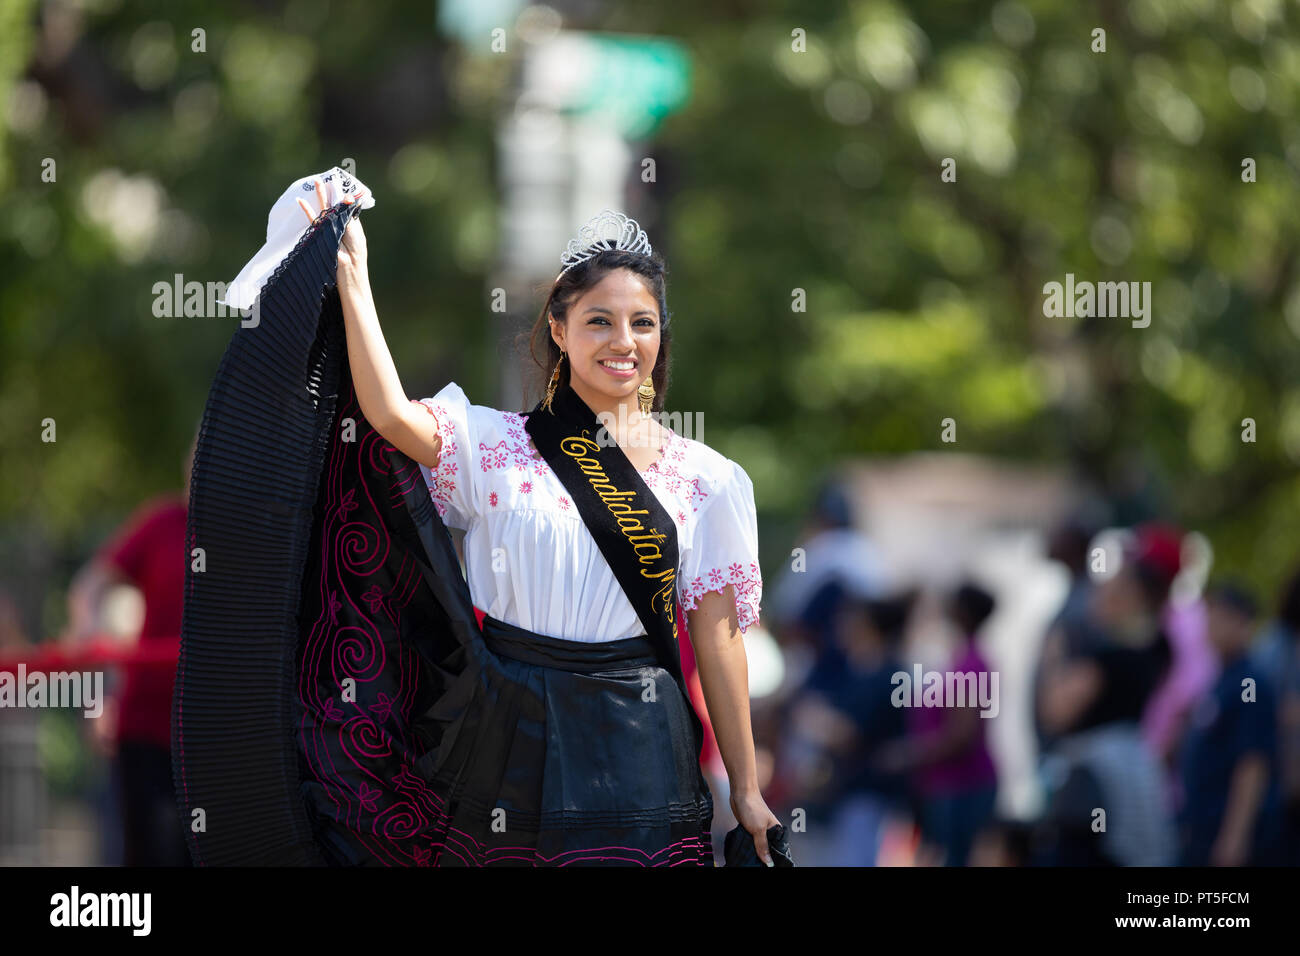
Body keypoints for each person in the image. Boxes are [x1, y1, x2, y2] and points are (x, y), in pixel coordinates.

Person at [175, 181, 781, 866]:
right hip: (509, 729)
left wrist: (749, 790)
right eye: (599, 321)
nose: (623, 341)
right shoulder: (496, 445)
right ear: (558, 328)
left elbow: (718, 639)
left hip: (642, 739)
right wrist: (351, 275)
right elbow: (389, 416)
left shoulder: (709, 479)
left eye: (642, 322)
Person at [64, 433, 195, 866]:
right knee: (151, 850)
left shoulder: (256, 532)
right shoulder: (161, 523)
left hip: (219, 730)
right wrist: (88, 641)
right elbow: (92, 585)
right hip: (148, 727)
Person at [887, 582, 999, 867]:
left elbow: (962, 734)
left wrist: (911, 754)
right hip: (949, 784)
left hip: (962, 784)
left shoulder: (970, 663)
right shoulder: (962, 657)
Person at [1176, 581, 1284, 866]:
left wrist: (1235, 836)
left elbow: (1252, 762)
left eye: (1221, 615)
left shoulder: (1250, 684)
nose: (1210, 624)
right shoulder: (1222, 680)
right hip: (1202, 830)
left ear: (1243, 622)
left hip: (1225, 832)